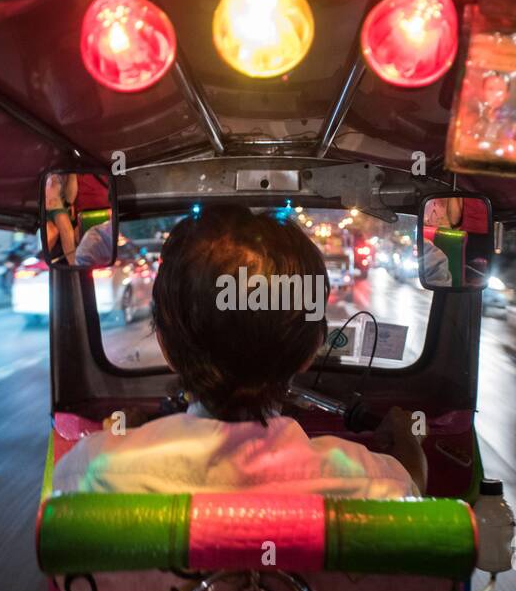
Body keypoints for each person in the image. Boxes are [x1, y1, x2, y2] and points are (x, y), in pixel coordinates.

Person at [52, 205, 427, 497]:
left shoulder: (88, 472)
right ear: (310, 350)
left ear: (164, 343)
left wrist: (121, 442)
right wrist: (409, 449)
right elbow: (412, 485)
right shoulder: (378, 483)